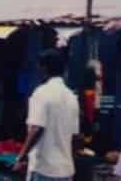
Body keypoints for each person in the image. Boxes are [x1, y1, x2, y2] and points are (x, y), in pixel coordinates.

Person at [15, 49, 82, 181]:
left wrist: (21, 157)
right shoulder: (72, 97)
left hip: (44, 168)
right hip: (66, 171)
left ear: (44, 68)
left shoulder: (42, 92)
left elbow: (37, 128)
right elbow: (75, 136)